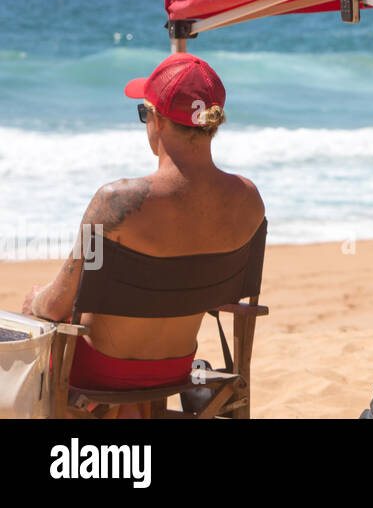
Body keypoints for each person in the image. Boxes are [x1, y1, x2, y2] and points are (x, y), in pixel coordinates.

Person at [22, 53, 264, 396]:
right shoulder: (248, 199)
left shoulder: (116, 202)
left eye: (143, 113)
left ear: (157, 119)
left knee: (28, 317)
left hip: (96, 371)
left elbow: (59, 305)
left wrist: (34, 301)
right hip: (178, 368)